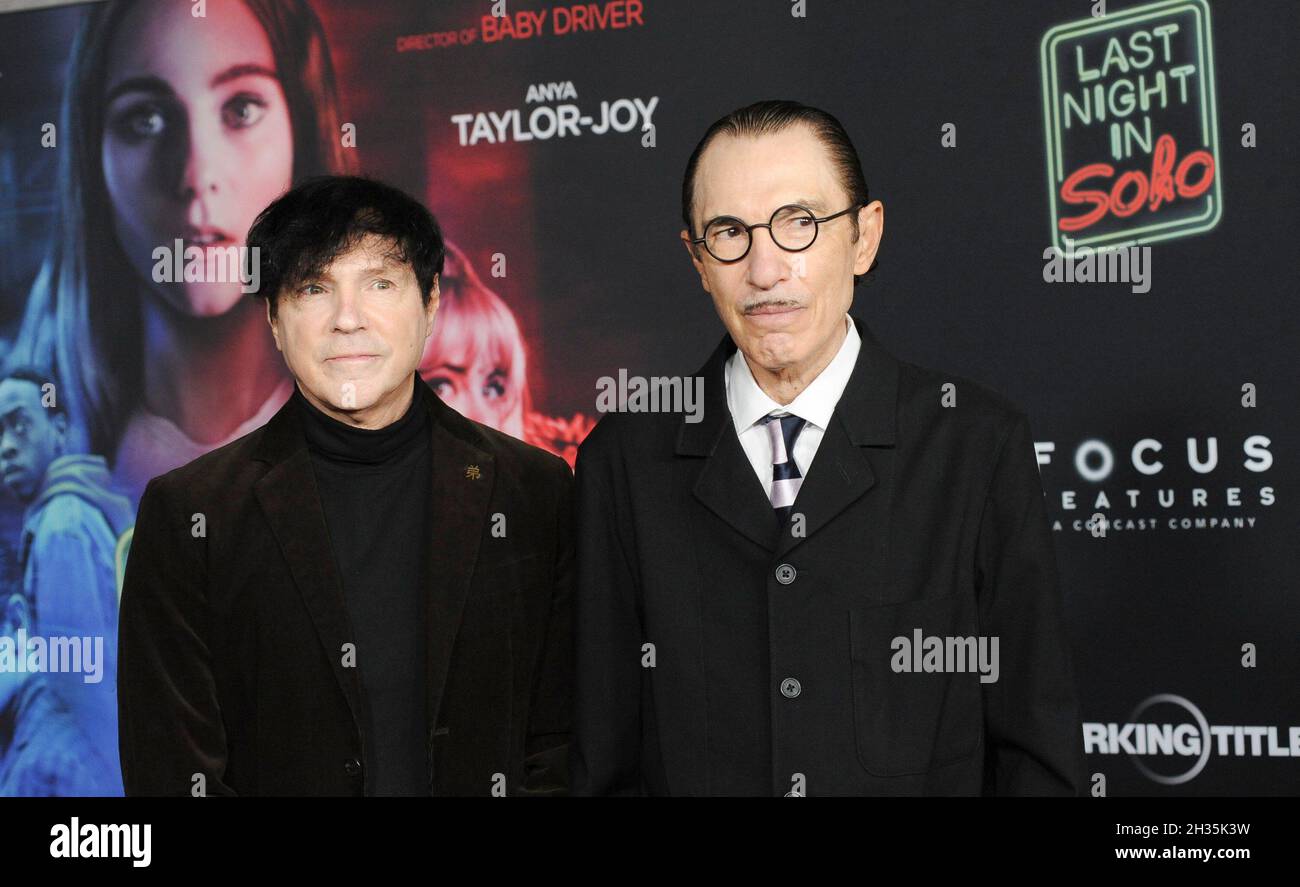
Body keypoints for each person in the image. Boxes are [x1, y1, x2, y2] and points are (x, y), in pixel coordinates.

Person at [572, 100, 1086, 796]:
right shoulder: (623, 461)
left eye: (798, 224)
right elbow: (602, 759)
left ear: (864, 237)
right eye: (729, 232)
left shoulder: (974, 445)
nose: (764, 269)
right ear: (697, 260)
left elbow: (1036, 750)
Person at [118, 176, 573, 796]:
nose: (348, 320)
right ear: (275, 319)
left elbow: (564, 739)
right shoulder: (192, 514)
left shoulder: (533, 491)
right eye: (313, 288)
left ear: (431, 302)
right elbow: (172, 769)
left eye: (380, 284)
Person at [4, 0, 350, 505]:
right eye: (144, 118)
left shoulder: (398, 418)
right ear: (91, 159)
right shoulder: (45, 464)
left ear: (302, 129)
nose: (195, 175)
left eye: (241, 109)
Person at [0, 368, 132, 793]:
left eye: (20, 424)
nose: (5, 447)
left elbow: (83, 685)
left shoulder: (61, 526)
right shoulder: (57, 518)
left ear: (58, 428)